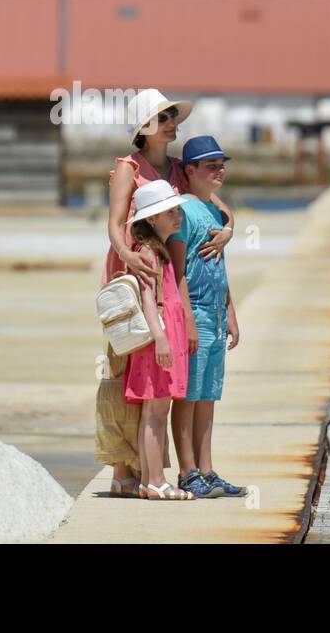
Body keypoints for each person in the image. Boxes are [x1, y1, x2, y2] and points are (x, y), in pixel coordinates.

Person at [94, 89, 233, 497]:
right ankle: (123, 470)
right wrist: (125, 257)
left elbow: (215, 204)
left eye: (173, 116)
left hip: (168, 277)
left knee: (154, 380)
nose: (172, 122)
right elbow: (116, 223)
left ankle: (146, 471)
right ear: (144, 128)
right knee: (124, 373)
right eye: (163, 117)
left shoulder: (176, 167)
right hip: (134, 270)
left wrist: (230, 228)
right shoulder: (127, 167)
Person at [169, 136, 244, 499]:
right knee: (187, 395)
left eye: (222, 164)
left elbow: (220, 267)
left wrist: (230, 312)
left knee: (208, 396)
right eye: (211, 166)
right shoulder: (182, 210)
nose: (220, 170)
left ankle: (208, 468)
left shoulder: (215, 212)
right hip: (194, 311)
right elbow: (178, 271)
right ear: (190, 170)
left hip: (216, 313)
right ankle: (187, 470)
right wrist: (187, 320)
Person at [121, 180, 195, 500]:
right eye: (170, 212)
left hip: (165, 332)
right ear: (152, 219)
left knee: (155, 410)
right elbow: (149, 299)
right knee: (156, 411)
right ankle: (155, 481)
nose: (177, 216)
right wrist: (161, 338)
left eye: (177, 210)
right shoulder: (149, 253)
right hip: (159, 335)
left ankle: (150, 480)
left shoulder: (157, 251)